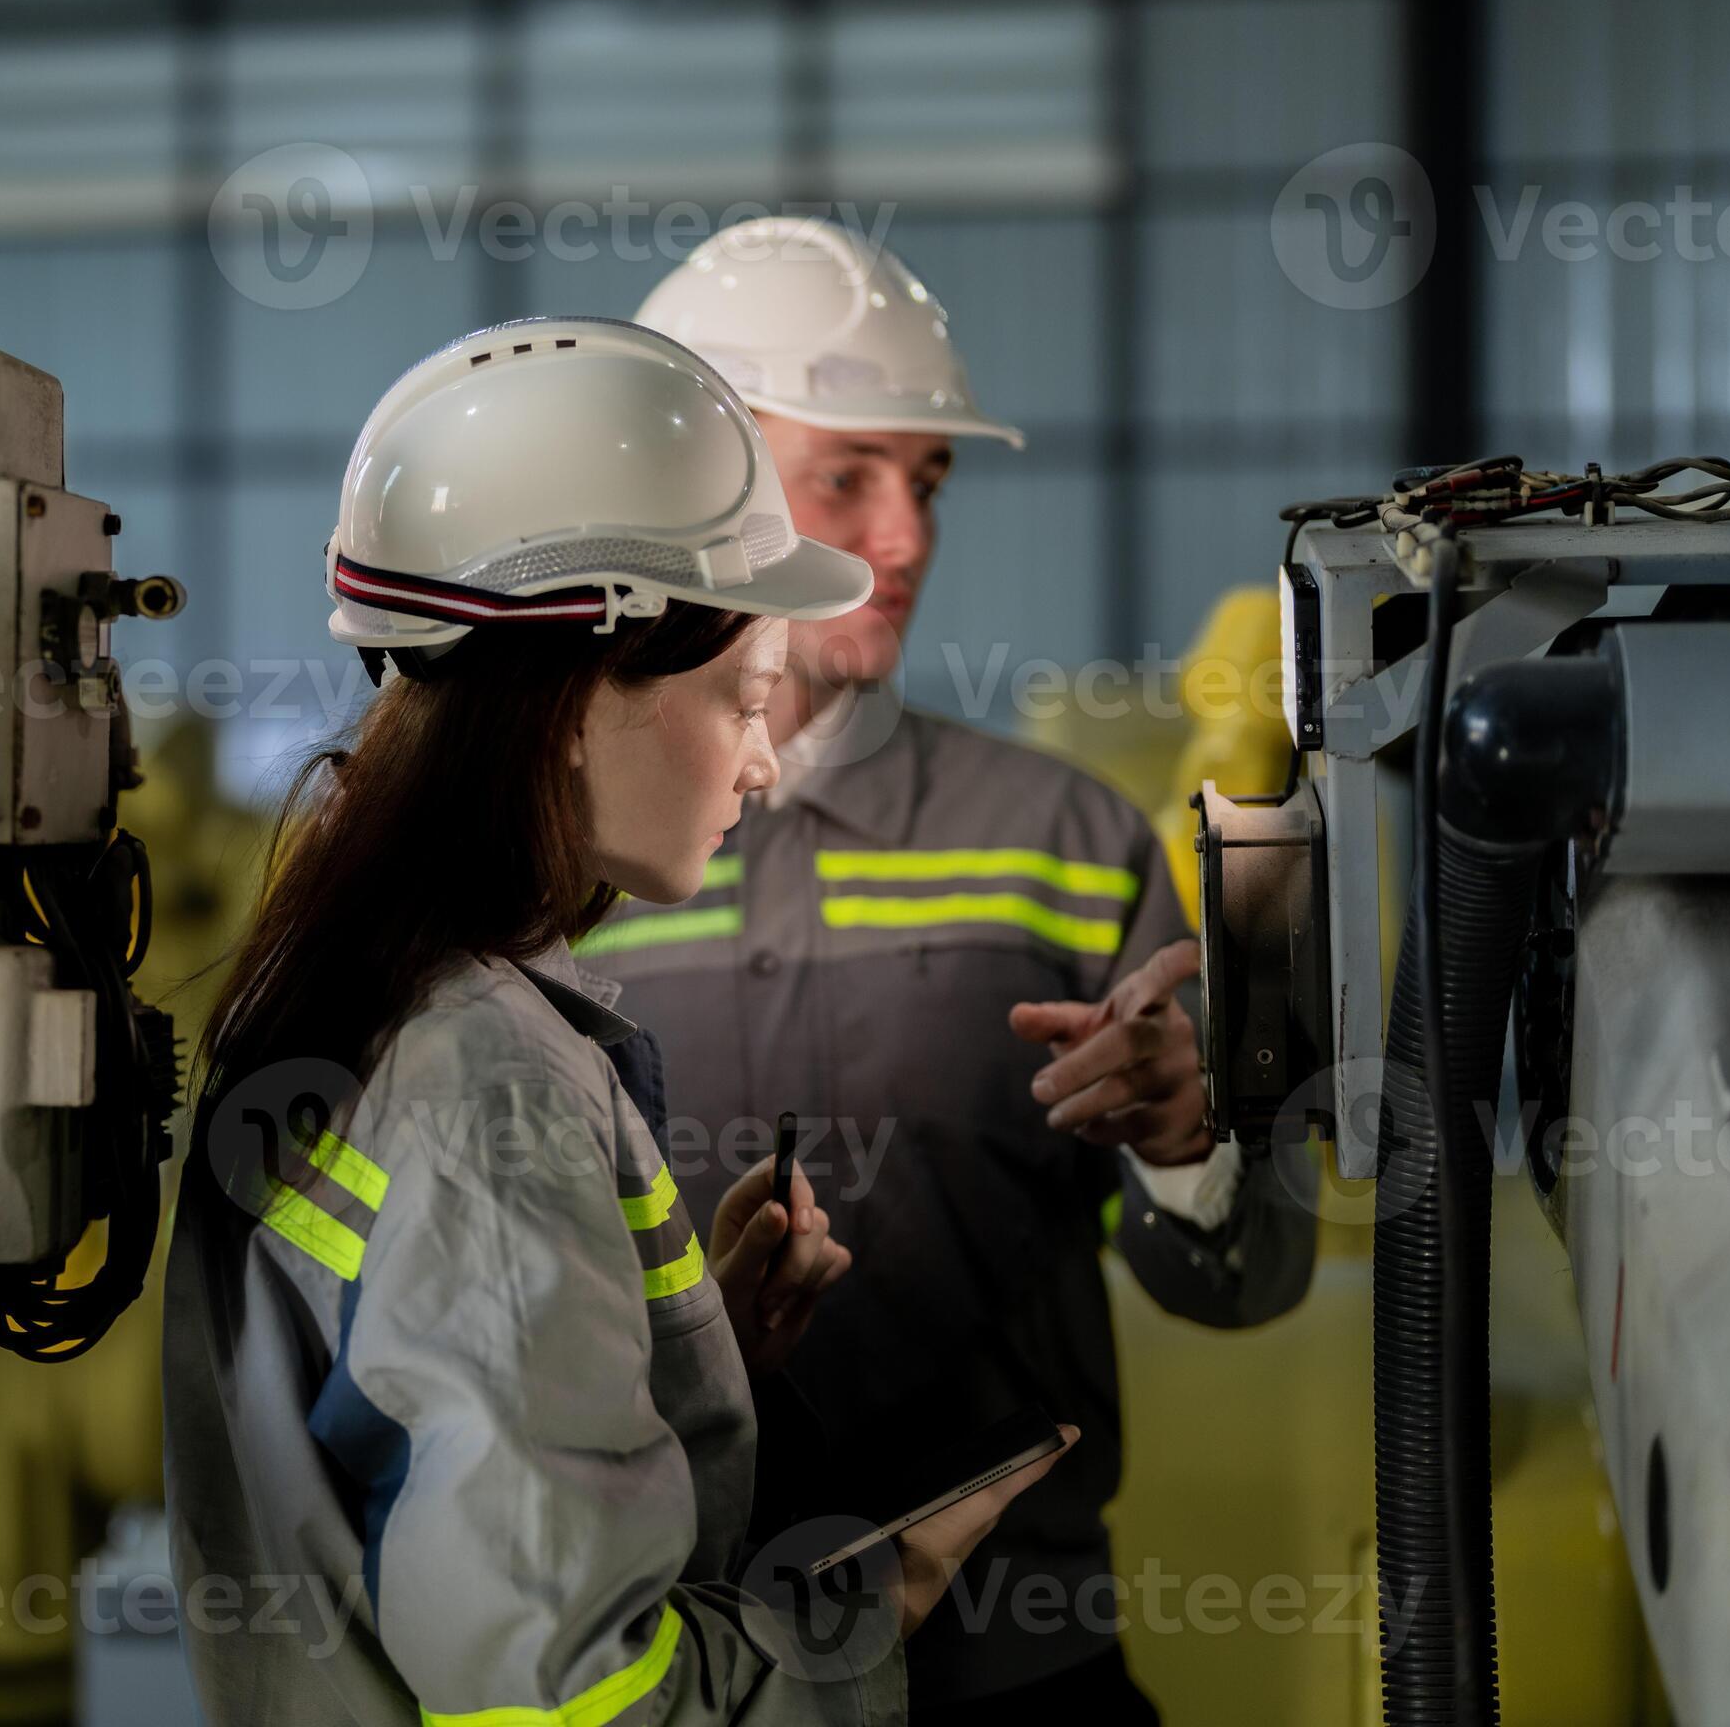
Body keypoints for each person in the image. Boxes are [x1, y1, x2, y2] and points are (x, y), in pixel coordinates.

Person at [163, 315, 1077, 1726]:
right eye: (745, 699)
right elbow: (584, 1696)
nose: (765, 764)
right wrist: (865, 1603)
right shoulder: (486, 1086)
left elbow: (406, 1423)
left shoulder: (365, 997)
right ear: (576, 698)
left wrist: (678, 1351)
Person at [595, 220, 1316, 1721]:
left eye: (926, 481)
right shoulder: (563, 865)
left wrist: (1193, 1147)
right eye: (847, 475)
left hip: (1019, 1665)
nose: (909, 533)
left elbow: (1257, 1279)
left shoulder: (1066, 840)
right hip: (668, 1672)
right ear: (694, 494)